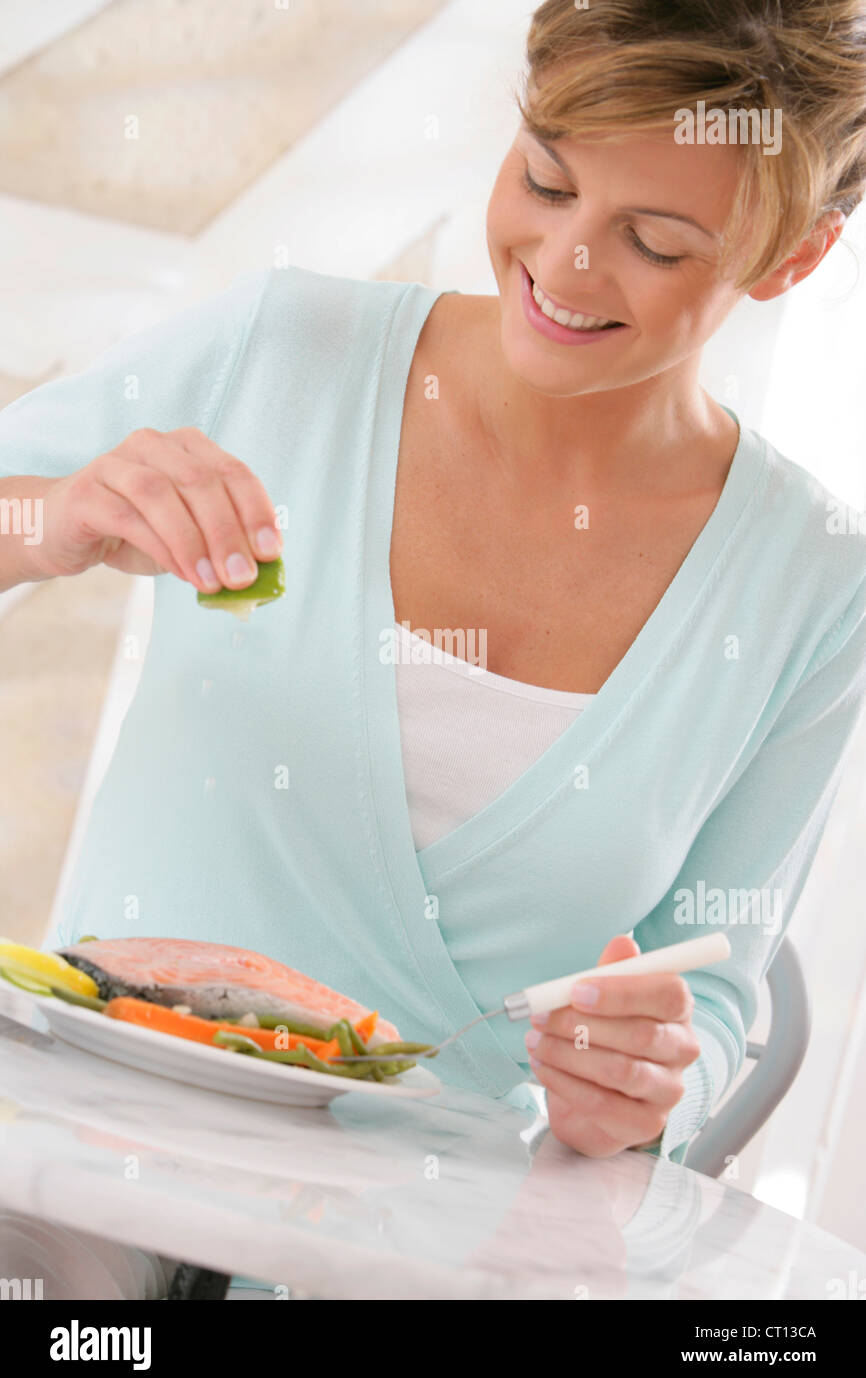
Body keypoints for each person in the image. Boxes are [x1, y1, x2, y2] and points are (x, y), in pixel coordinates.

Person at [2, 0, 866, 1296]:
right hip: (76, 1189)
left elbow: (715, 978)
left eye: (652, 240)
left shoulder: (811, 588)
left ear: (791, 257)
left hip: (423, 1250)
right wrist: (50, 520)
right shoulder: (284, 346)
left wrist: (635, 1090)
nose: (564, 264)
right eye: (546, 180)